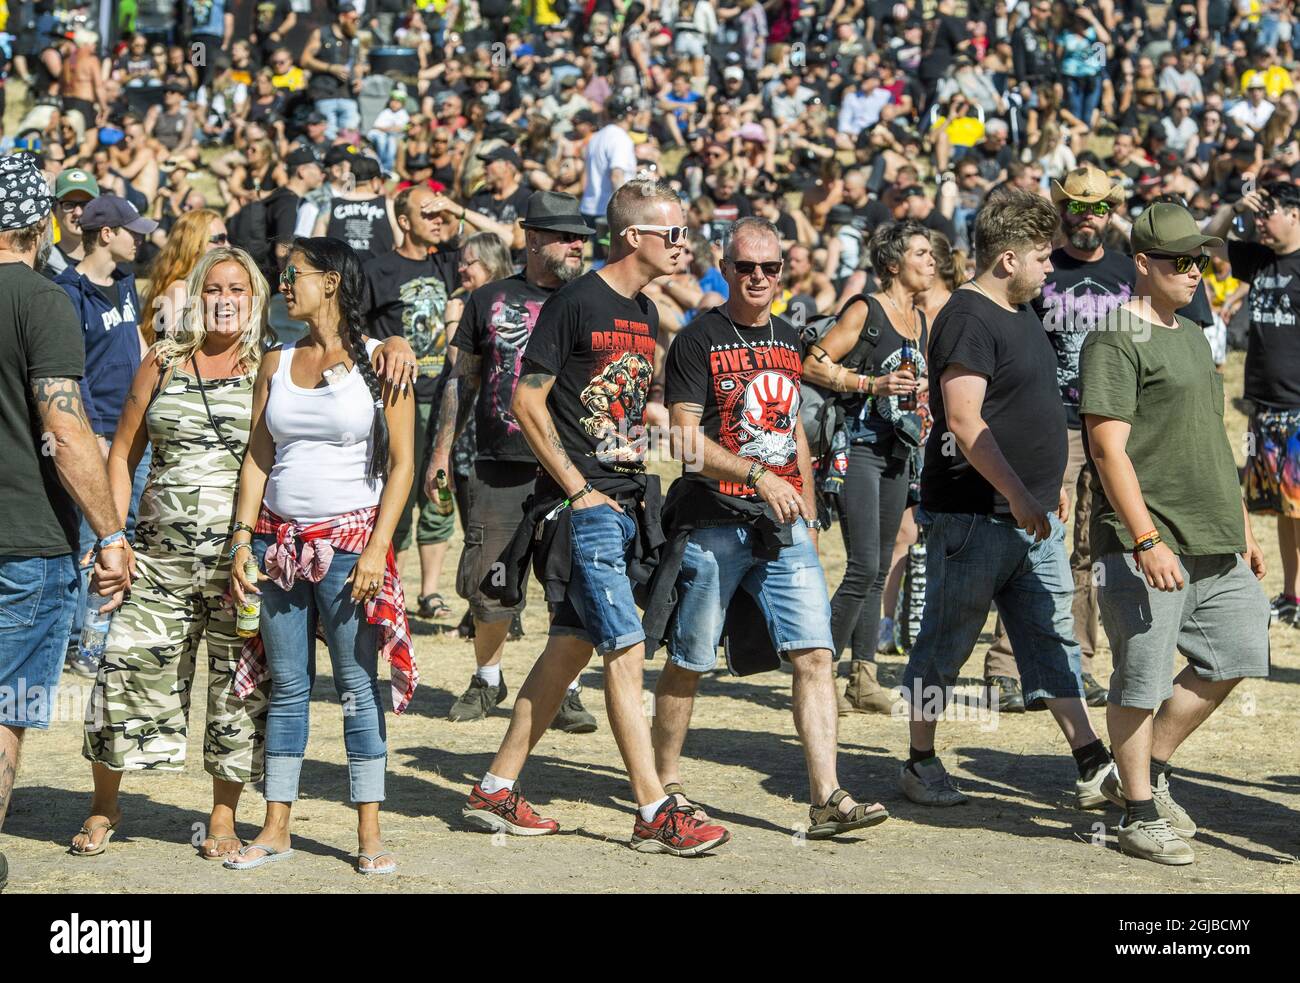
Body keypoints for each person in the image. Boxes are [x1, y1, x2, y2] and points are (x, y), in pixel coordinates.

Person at [462, 178, 731, 856]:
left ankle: (495, 786)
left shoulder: (643, 311)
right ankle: (652, 809)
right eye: (674, 233)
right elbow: (528, 402)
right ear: (636, 236)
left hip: (629, 497)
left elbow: (627, 406)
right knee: (625, 644)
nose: (684, 245)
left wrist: (722, 452)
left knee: (569, 648)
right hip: (583, 506)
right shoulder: (576, 301)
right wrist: (579, 490)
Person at [652, 215, 890, 836]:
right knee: (691, 659)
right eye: (745, 267)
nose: (758, 278)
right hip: (713, 522)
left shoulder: (791, 339)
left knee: (815, 653)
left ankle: (827, 797)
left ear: (783, 272)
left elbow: (793, 437)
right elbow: (683, 440)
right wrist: (758, 477)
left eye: (770, 268)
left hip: (784, 528)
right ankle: (664, 788)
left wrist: (807, 510)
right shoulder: (697, 339)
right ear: (725, 270)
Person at [899, 190, 1116, 813]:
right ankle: (920, 760)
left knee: (1051, 639)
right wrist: (1021, 494)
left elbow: (1026, 408)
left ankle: (1090, 759)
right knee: (944, 645)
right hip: (975, 518)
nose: (1053, 268)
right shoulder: (969, 318)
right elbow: (965, 422)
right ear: (1007, 260)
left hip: (1031, 516)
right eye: (1043, 258)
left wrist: (1048, 491)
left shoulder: (1020, 309)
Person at [1081, 203, 1270, 865]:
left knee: (1240, 650)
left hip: (1215, 533)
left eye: (1201, 260)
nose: (1197, 273)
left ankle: (1143, 771)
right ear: (1143, 263)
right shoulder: (1114, 335)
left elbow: (1209, 438)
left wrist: (1242, 525)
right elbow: (1108, 450)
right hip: (1149, 538)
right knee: (1140, 680)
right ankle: (1136, 812)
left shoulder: (1192, 332)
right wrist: (1144, 539)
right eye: (1182, 262)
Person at [71, 248, 273, 861]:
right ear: (196, 296)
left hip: (240, 565)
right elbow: (123, 455)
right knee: (126, 675)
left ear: (255, 297)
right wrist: (115, 537)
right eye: (214, 288)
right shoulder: (161, 362)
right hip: (156, 561)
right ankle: (104, 806)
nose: (225, 299)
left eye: (237, 288)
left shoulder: (270, 367)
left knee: (237, 692)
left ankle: (221, 817)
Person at [226, 237, 416, 874]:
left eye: (293, 274)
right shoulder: (275, 360)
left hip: (348, 550)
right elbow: (259, 456)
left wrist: (375, 551)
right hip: (277, 545)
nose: (283, 284)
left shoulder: (381, 362)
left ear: (332, 282)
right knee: (287, 688)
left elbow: (403, 465)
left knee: (359, 688)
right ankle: (276, 826)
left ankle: (369, 834)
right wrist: (240, 540)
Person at [0, 153, 131, 895]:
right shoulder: (42, 299)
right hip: (24, 538)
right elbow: (67, 426)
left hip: (22, 536)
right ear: (37, 221)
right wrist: (111, 532)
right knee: (6, 700)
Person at [430, 192, 597, 730]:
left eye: (582, 238)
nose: (577, 246)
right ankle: (488, 678)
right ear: (530, 236)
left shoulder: (593, 299)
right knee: (492, 580)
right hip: (498, 463)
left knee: (567, 584)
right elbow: (463, 379)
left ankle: (568, 688)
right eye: (565, 236)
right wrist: (439, 452)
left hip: (569, 467)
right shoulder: (489, 299)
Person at [981, 164, 1127, 712]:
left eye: (1099, 207)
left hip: (1111, 425)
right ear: (1062, 209)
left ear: (1110, 213)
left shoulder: (1126, 271)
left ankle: (1078, 665)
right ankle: (1004, 668)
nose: (1088, 217)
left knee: (1092, 550)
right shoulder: (1041, 269)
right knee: (1032, 538)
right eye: (1078, 206)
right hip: (1051, 424)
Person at [802, 221, 934, 714]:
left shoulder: (918, 318)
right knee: (861, 568)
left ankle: (863, 680)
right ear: (894, 263)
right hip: (855, 449)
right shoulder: (865, 308)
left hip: (898, 451)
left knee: (879, 569)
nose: (931, 260)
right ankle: (820, 673)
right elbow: (812, 363)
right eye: (921, 253)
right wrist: (868, 385)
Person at [54, 195, 158, 675]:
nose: (142, 238)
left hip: (132, 432)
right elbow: (69, 374)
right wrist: (93, 432)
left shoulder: (125, 282)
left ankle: (103, 637)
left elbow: (133, 346)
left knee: (125, 532)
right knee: (87, 539)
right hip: (93, 436)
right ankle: (76, 641)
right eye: (132, 230)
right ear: (106, 234)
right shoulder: (67, 293)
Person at [362, 187, 468, 619]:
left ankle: (429, 592)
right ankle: (394, 589)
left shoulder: (449, 262)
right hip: (396, 400)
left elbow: (509, 243)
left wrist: (454, 208)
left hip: (444, 398)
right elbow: (359, 330)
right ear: (403, 221)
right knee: (398, 497)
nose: (438, 219)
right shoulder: (378, 269)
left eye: (442, 213)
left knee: (438, 495)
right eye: (427, 212)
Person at [1203, 180, 1300, 626]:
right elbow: (1210, 241)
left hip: (1298, 408)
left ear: (1295, 214)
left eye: (1268, 213)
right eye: (1257, 215)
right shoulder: (1259, 260)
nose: (1259, 222)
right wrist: (1235, 206)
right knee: (1281, 508)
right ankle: (1292, 595)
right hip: (1264, 405)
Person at [139, 208, 228, 345]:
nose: (228, 246)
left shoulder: (196, 285)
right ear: (195, 244)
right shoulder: (180, 289)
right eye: (220, 239)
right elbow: (178, 347)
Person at [580, 93, 638, 260]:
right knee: (609, 264)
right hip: (607, 212)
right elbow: (616, 176)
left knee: (598, 262)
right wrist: (621, 211)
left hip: (589, 208)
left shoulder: (596, 137)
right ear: (628, 114)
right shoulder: (620, 138)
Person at [302, 1, 364, 141]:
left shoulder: (354, 39)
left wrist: (359, 79)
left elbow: (358, 64)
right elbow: (305, 60)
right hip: (324, 93)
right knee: (328, 136)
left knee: (349, 138)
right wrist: (330, 68)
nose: (356, 23)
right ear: (342, 17)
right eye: (353, 19)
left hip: (347, 95)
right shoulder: (322, 34)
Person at [43, 166, 99, 277]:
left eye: (86, 205)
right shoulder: (43, 266)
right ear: (54, 209)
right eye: (69, 205)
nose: (78, 212)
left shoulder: (112, 262)